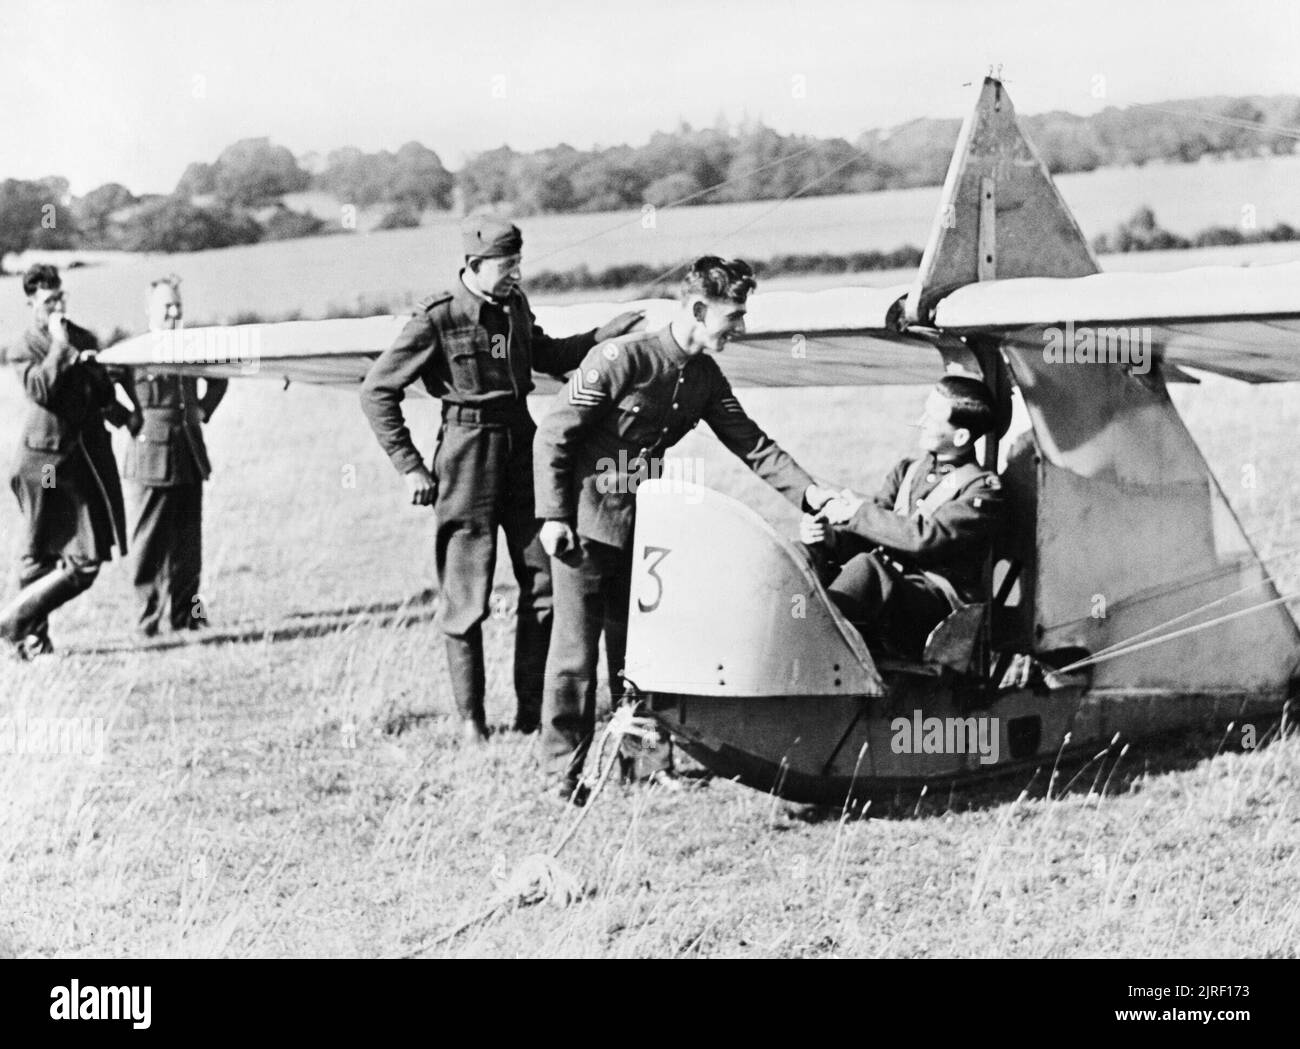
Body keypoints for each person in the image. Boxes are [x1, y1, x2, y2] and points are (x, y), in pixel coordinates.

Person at [534, 255, 838, 801]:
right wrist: (554, 518)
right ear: (699, 309)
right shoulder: (620, 359)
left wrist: (810, 493)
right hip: (583, 529)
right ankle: (562, 772)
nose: (740, 328)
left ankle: (647, 767)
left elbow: (752, 444)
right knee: (575, 657)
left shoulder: (702, 377)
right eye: (733, 316)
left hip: (647, 531)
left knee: (643, 654)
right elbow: (554, 436)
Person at [360, 216, 643, 744]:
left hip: (523, 447)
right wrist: (410, 466)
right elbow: (377, 390)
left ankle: (531, 712)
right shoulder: (436, 318)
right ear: (473, 266)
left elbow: (546, 356)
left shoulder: (515, 305)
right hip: (466, 455)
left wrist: (602, 337)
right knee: (467, 594)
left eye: (517, 262)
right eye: (506, 264)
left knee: (544, 583)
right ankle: (471, 722)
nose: (515, 272)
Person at [800, 376, 1006, 656]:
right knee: (803, 557)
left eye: (932, 419)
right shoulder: (907, 472)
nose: (920, 421)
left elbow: (925, 539)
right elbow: (870, 534)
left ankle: (809, 648)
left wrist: (857, 512)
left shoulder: (982, 489)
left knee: (867, 569)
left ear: (960, 437)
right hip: (894, 593)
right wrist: (830, 537)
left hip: (937, 607)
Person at [0, 264, 141, 659]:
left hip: (81, 462)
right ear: (31, 303)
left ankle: (13, 621)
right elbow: (42, 389)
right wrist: (62, 349)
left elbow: (99, 396)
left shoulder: (83, 337)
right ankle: (31, 639)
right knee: (40, 550)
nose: (57, 306)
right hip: (42, 466)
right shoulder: (23, 347)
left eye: (60, 297)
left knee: (88, 560)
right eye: (48, 301)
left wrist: (123, 412)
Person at [121, 277, 229, 636]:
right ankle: (146, 622)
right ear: (149, 310)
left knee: (188, 544)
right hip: (150, 458)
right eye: (166, 306)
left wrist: (203, 409)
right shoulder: (133, 351)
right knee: (149, 544)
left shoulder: (192, 345)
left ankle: (187, 615)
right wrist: (127, 418)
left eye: (177, 306)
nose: (173, 313)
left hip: (188, 453)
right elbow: (104, 385)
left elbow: (220, 376)